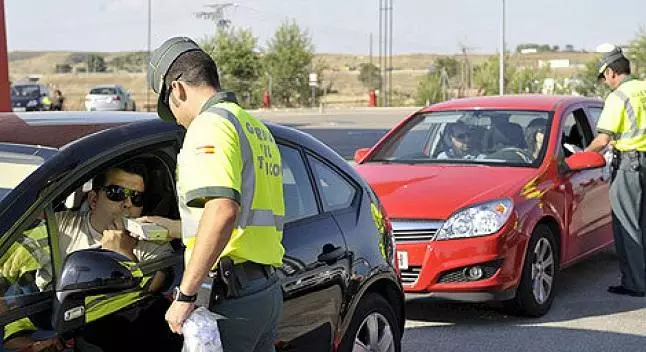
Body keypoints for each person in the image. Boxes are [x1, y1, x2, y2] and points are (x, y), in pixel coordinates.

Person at [148, 37, 285, 352]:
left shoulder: (208, 126)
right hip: (265, 290)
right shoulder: (253, 126)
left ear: (178, 89)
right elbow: (247, 213)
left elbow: (223, 209)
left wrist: (185, 294)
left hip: (230, 298)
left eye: (170, 107)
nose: (177, 119)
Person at [584, 46, 646, 297]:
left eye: (604, 77)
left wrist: (581, 157)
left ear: (611, 72)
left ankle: (634, 283)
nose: (605, 82)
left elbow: (603, 140)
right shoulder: (644, 88)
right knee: (643, 224)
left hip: (630, 165)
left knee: (627, 225)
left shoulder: (619, 96)